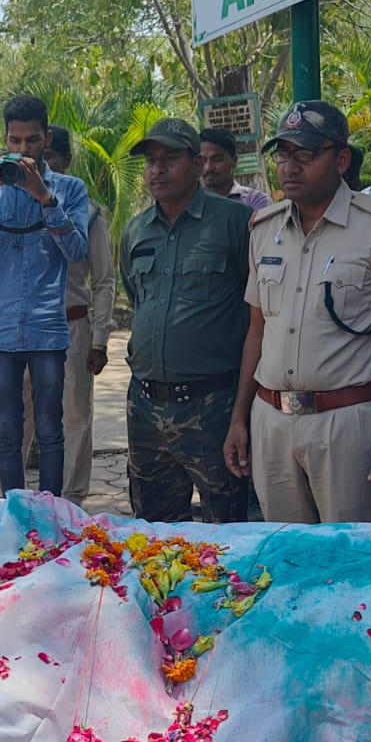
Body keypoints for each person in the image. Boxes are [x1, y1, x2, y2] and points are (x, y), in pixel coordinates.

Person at [225, 101, 371, 525]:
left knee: (351, 557)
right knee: (284, 554)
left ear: (342, 159)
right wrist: (239, 418)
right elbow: (256, 332)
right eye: (283, 154)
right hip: (271, 419)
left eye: (307, 153)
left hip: (346, 422)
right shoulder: (264, 229)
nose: (290, 166)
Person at [119, 117, 252, 522]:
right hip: (145, 406)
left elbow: (259, 314)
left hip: (212, 406)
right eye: (151, 161)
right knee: (154, 534)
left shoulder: (234, 222)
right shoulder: (136, 230)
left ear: (196, 165)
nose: (157, 169)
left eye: (170, 159)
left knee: (225, 535)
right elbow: (136, 296)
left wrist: (241, 414)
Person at [0, 94, 89, 496]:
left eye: (32, 141)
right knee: (7, 433)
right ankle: (13, 512)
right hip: (0, 331)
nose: (22, 151)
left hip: (47, 328)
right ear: (5, 139)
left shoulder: (69, 189)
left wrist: (44, 198)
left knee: (51, 431)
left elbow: (77, 251)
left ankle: (49, 512)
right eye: (14, 142)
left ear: (46, 138)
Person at [32, 125, 117, 504]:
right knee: (20, 419)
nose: (43, 168)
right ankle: (20, 499)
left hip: (72, 324)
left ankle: (71, 500)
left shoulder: (89, 211)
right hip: (25, 330)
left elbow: (104, 278)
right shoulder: (12, 207)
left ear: (65, 161)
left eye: (50, 159)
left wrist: (100, 338)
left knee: (76, 416)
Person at [200, 126, 272, 211]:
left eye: (217, 160)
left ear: (234, 161)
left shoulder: (255, 201)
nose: (208, 168)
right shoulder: (189, 204)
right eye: (203, 160)